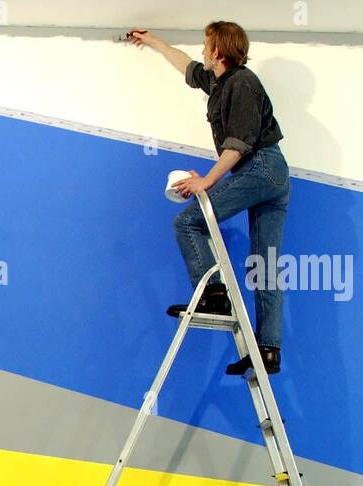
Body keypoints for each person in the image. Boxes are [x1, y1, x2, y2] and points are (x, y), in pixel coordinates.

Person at [129, 22, 289, 375]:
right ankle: (268, 350)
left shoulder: (243, 83)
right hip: (268, 173)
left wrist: (206, 181)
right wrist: (153, 40)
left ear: (218, 51)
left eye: (205, 45)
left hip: (262, 167)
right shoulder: (218, 82)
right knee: (264, 264)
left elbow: (238, 144)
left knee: (188, 221)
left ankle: (215, 298)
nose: (202, 50)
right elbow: (184, 64)